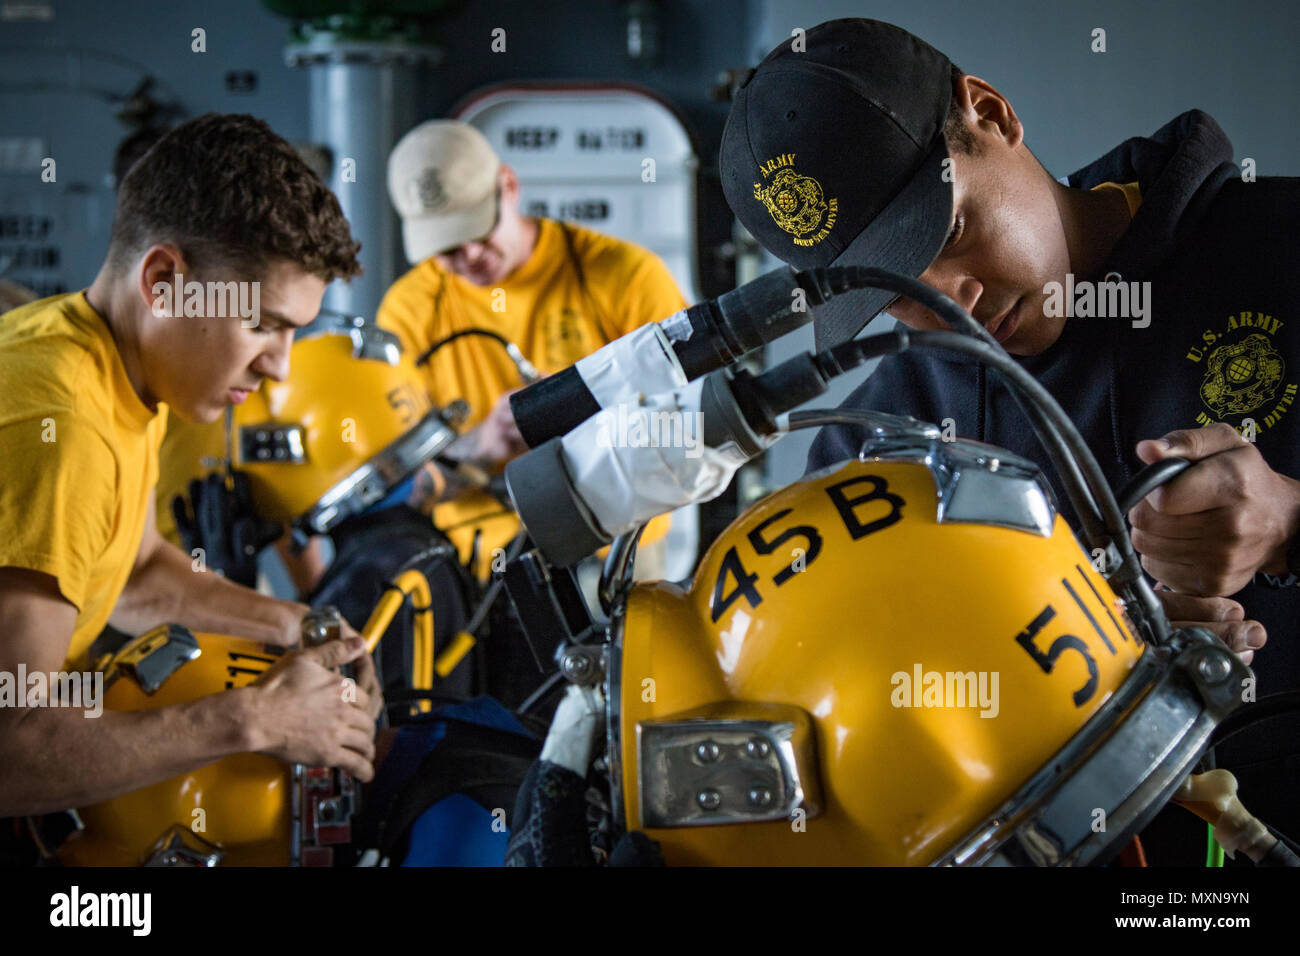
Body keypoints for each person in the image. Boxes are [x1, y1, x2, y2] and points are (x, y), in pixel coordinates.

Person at [718, 18, 1298, 862]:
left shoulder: (1281, 247)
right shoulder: (880, 453)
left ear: (989, 113)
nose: (953, 304)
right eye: (893, 295)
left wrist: (1287, 522)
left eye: (949, 233)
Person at [0, 113, 384, 818]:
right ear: (165, 279)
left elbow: (136, 572)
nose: (279, 365)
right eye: (262, 324)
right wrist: (257, 720)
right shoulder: (64, 429)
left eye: (295, 331)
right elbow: (9, 751)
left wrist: (302, 625)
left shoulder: (100, 357)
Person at [377, 120, 688, 576]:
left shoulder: (627, 277)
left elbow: (692, 428)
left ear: (508, 186)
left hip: (617, 550)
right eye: (446, 249)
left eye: (480, 231)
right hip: (479, 564)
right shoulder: (408, 311)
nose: (470, 257)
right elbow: (398, 479)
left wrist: (584, 417)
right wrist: (483, 446)